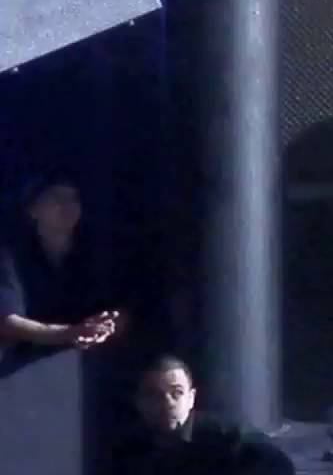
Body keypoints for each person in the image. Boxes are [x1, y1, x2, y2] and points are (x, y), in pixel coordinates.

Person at [0, 173, 124, 364]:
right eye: (56, 198)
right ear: (33, 210)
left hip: (88, 363)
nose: (68, 205)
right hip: (22, 365)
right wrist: (68, 333)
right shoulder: (10, 257)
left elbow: (119, 308)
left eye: (73, 198)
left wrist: (106, 327)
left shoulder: (95, 255)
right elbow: (8, 322)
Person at [110, 355, 295, 475]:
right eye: (154, 395)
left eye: (177, 393)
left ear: (191, 398)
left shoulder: (227, 438)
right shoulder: (128, 449)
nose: (168, 403)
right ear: (139, 402)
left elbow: (279, 465)